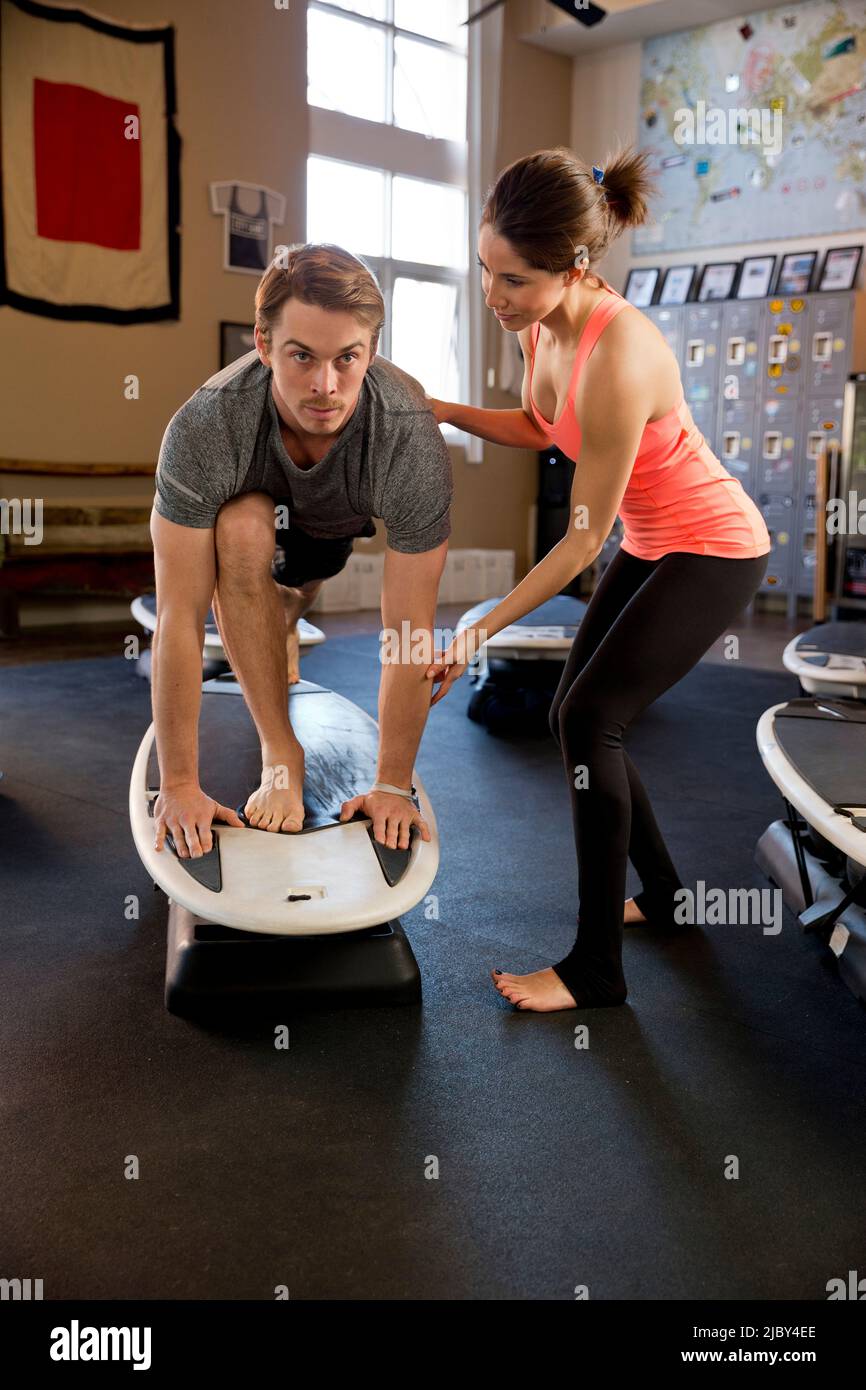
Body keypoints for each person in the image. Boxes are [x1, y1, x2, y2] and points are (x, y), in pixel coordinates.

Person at [425, 146, 770, 1014]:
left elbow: (581, 543)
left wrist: (475, 630)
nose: (494, 296)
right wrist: (444, 410)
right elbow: (544, 424)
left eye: (514, 280)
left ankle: (595, 971)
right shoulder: (540, 323)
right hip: (652, 540)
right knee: (572, 715)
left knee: (589, 718)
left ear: (574, 267)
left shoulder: (622, 353)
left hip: (715, 546)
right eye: (486, 270)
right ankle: (667, 898)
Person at [150, 242, 452, 861]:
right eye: (302, 356)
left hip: (331, 539)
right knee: (240, 527)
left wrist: (392, 784)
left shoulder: (406, 433)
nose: (325, 386)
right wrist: (178, 785)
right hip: (255, 527)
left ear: (373, 349)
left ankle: (284, 615)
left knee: (292, 598)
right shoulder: (207, 425)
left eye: (347, 358)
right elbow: (179, 616)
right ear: (263, 345)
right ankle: (280, 751)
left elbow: (409, 630)